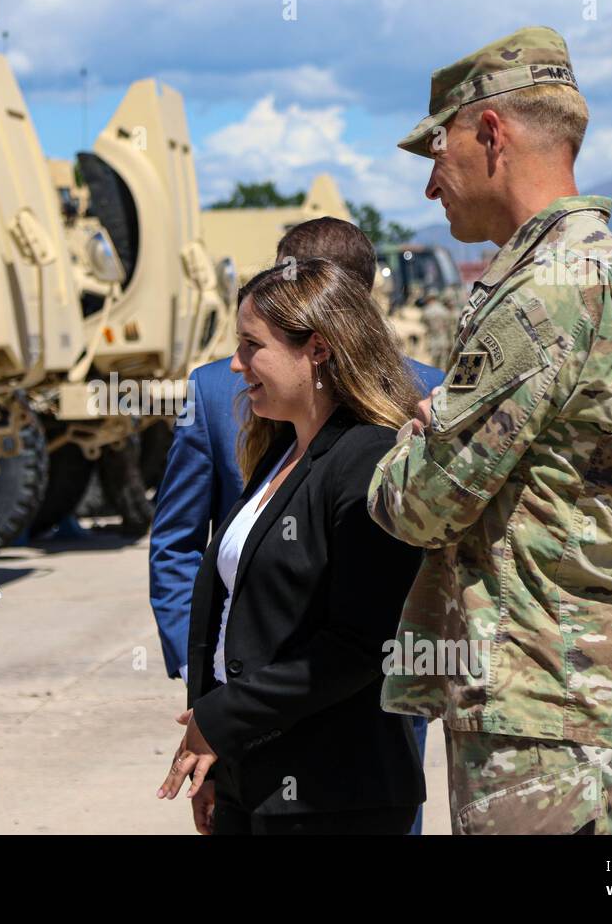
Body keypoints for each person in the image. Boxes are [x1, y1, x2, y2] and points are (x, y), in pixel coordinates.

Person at [367, 26, 612, 835]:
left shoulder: (541, 293)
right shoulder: (602, 265)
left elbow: (421, 505)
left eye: (435, 155)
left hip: (537, 690)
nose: (432, 190)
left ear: (491, 134)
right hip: (565, 684)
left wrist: (413, 441)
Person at [148, 216, 443, 832]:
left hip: (331, 796)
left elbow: (358, 645)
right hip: (252, 777)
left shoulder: (366, 460)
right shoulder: (283, 453)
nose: (234, 365)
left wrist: (222, 719)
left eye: (252, 346)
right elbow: (225, 601)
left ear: (317, 349)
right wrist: (217, 746)